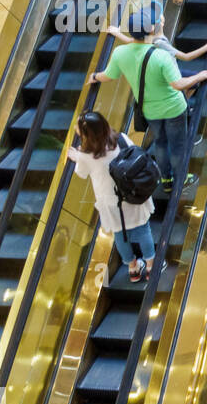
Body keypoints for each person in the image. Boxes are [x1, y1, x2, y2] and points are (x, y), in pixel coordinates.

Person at [88, 8, 207, 193]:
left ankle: (167, 180)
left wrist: (94, 76)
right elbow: (178, 84)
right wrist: (200, 75)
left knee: (161, 143)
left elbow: (108, 75)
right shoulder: (161, 55)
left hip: (150, 112)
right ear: (151, 30)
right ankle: (182, 178)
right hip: (173, 109)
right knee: (178, 146)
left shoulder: (120, 53)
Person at [66, 111, 155, 282]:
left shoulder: (86, 155)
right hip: (132, 193)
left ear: (87, 135)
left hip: (111, 203)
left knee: (120, 235)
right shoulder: (120, 138)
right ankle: (151, 266)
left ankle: (133, 269)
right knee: (143, 230)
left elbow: (82, 173)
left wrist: (77, 157)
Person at [106, 2, 207, 74]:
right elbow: (186, 57)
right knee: (196, 82)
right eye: (158, 16)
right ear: (159, 23)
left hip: (165, 71)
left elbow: (130, 40)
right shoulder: (159, 43)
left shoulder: (149, 38)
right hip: (173, 74)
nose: (161, 15)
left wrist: (117, 33)